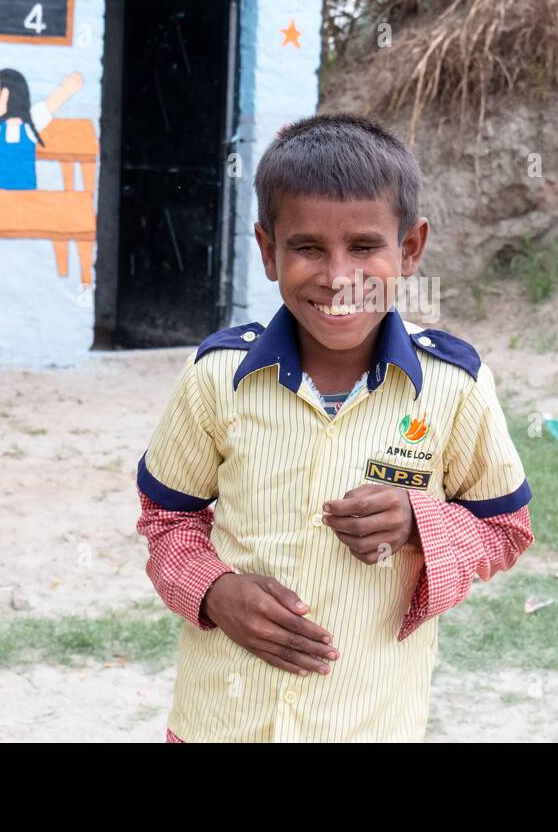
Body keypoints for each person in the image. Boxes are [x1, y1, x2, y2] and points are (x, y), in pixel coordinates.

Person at [135, 113, 534, 742]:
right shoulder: (217, 377)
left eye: (365, 247)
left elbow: (505, 528)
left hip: (369, 723)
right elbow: (166, 519)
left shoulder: (454, 386)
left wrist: (419, 523)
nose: (338, 275)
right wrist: (213, 591)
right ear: (268, 250)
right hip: (219, 721)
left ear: (410, 249)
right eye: (308, 248)